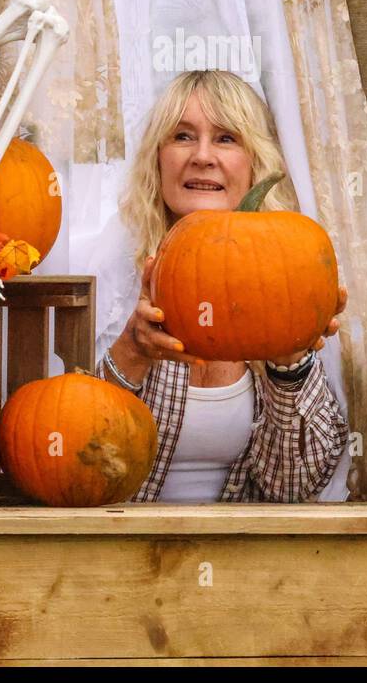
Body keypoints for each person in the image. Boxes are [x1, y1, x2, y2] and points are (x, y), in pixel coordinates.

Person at [98, 70, 348, 502]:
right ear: (158, 159)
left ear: (255, 164)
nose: (202, 156)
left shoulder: (290, 273)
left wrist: (289, 362)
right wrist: (133, 353)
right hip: (124, 555)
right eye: (182, 136)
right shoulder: (114, 279)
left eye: (226, 138)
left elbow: (295, 486)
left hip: (243, 558)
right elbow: (80, 459)